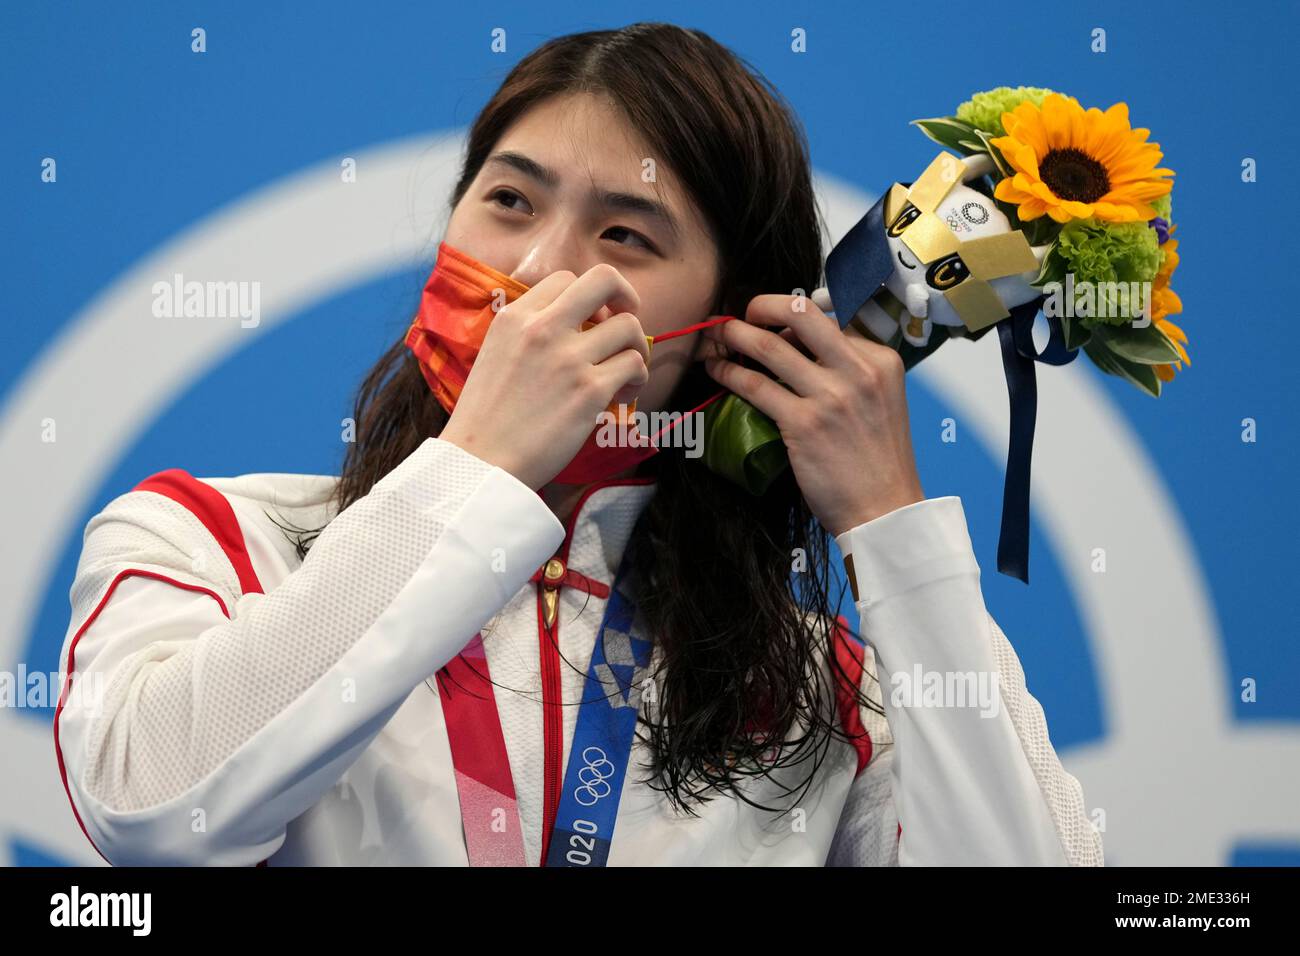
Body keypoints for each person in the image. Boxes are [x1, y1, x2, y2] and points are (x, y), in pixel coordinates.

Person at [53, 22, 1103, 866]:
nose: (544, 272)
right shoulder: (215, 540)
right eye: (508, 201)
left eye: (625, 234)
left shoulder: (825, 692)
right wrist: (476, 469)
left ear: (728, 327)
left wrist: (892, 527)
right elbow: (148, 811)